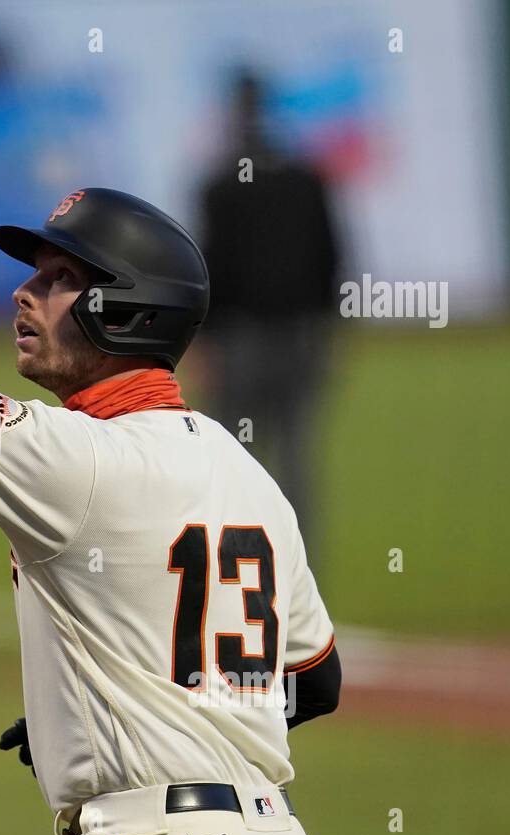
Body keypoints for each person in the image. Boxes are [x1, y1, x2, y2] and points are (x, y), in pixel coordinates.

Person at [0, 53, 342, 835]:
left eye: (58, 279)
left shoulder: (76, 456)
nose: (25, 292)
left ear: (124, 309)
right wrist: (113, 699)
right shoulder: (247, 473)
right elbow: (313, 682)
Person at [197, 70, 341, 544]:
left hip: (241, 342)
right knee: (297, 461)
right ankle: (302, 581)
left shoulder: (221, 185)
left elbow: (209, 271)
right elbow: (332, 258)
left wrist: (204, 343)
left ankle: (237, 578)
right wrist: (327, 333)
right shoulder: (306, 180)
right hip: (301, 337)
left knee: (232, 463)